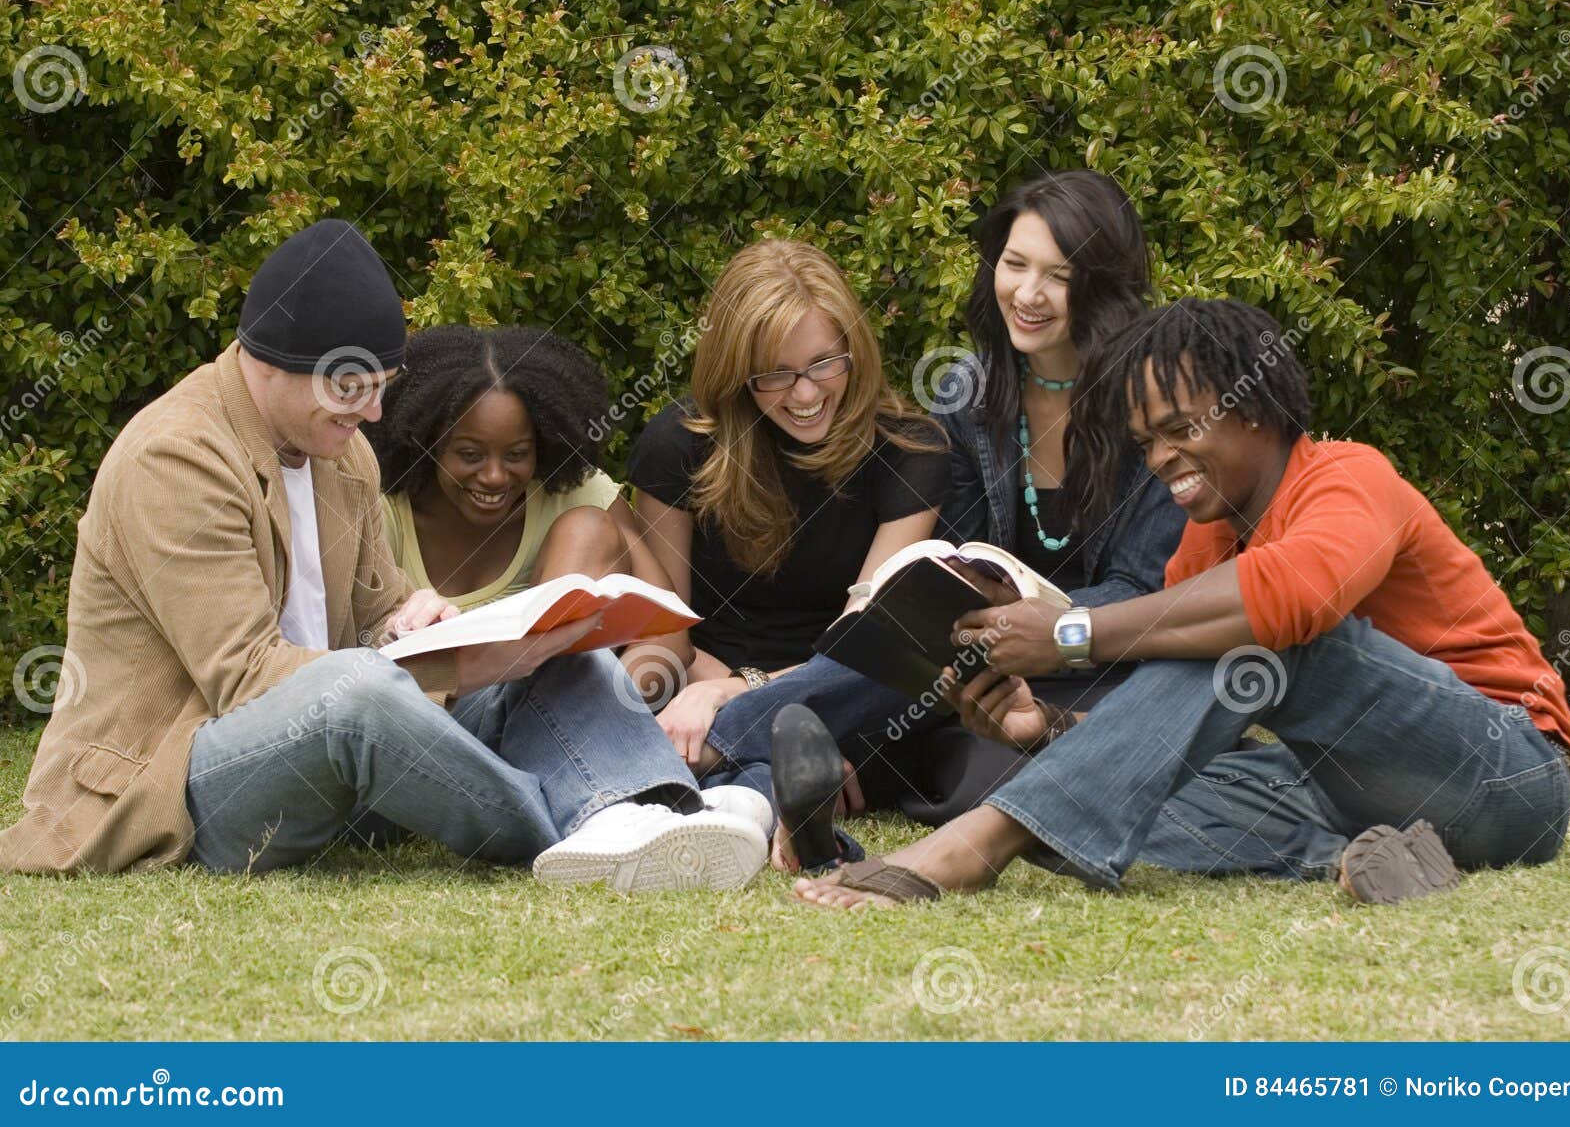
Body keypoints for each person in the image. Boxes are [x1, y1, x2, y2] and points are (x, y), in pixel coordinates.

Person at [0, 220, 767, 892]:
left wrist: (416, 622)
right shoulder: (177, 458)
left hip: (329, 771)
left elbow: (375, 618)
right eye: (353, 389)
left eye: (381, 387)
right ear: (273, 361)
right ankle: (583, 828)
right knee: (358, 694)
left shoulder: (341, 452)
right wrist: (454, 665)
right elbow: (243, 678)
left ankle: (657, 806)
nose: (373, 413)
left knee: (561, 651)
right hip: (178, 783)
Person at [794, 297, 1570, 908]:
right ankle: (1390, 856)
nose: (1160, 458)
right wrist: (1049, 730)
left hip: (1509, 775)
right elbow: (1178, 721)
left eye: (1178, 429)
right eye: (1146, 440)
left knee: (1260, 635)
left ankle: (973, 849)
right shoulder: (1207, 541)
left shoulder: (1349, 476)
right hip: (1346, 789)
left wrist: (1070, 633)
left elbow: (1290, 600)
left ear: (1255, 406)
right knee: (1138, 801)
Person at [699, 171, 1199, 867]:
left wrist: (1038, 626)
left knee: (976, 771)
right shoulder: (970, 391)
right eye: (1015, 264)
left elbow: (1141, 589)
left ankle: (725, 741)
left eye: (1058, 276)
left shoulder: (1153, 398)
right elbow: (959, 554)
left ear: (1105, 284)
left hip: (1101, 662)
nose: (1027, 293)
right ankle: (788, 803)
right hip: (979, 665)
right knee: (908, 673)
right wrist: (971, 609)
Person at [624, 239, 950, 856]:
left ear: (854, 349)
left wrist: (737, 695)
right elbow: (667, 629)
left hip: (840, 696)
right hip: (695, 687)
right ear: (736, 373)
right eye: (775, 374)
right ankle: (784, 800)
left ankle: (737, 768)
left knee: (920, 657)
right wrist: (721, 690)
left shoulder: (910, 452)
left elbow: (862, 641)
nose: (804, 394)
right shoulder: (677, 445)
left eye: (825, 364)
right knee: (658, 688)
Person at [366, 324, 693, 703]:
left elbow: (670, 635)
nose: (494, 476)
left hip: (550, 714)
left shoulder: (572, 494)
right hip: (422, 718)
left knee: (587, 529)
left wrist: (608, 704)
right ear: (429, 442)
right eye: (470, 455)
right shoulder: (382, 509)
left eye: (517, 454)